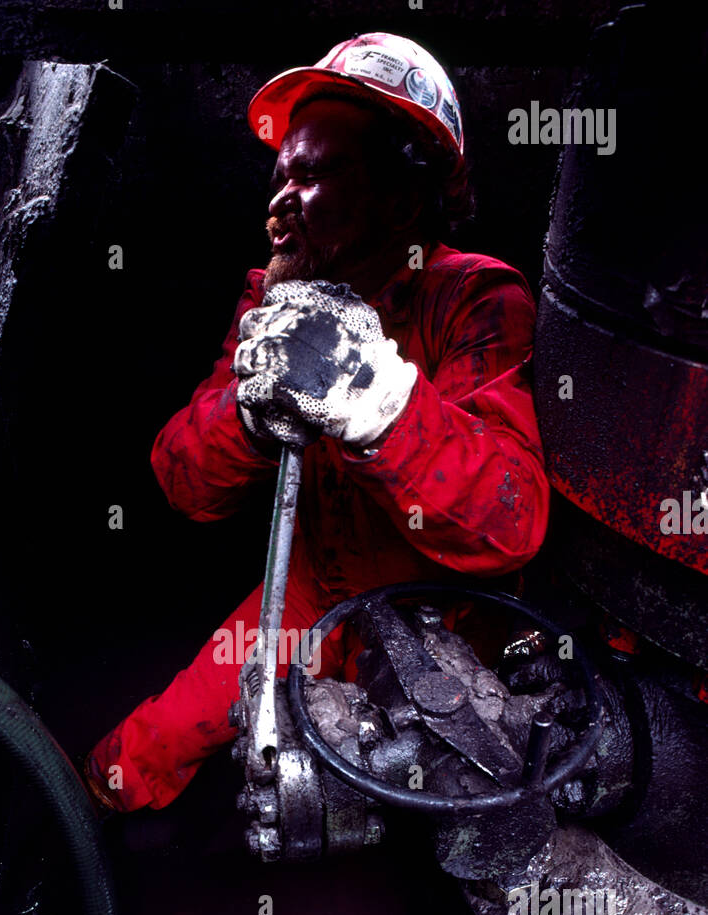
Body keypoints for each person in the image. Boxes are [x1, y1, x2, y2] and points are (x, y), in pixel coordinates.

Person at [85, 32, 550, 814]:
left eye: (312, 174)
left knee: (460, 791)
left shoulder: (474, 296)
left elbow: (513, 520)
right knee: (140, 754)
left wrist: (374, 400)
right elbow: (180, 480)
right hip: (308, 589)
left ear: (401, 197)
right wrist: (249, 417)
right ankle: (72, 831)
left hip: (448, 614)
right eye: (279, 178)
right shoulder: (273, 303)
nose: (279, 200)